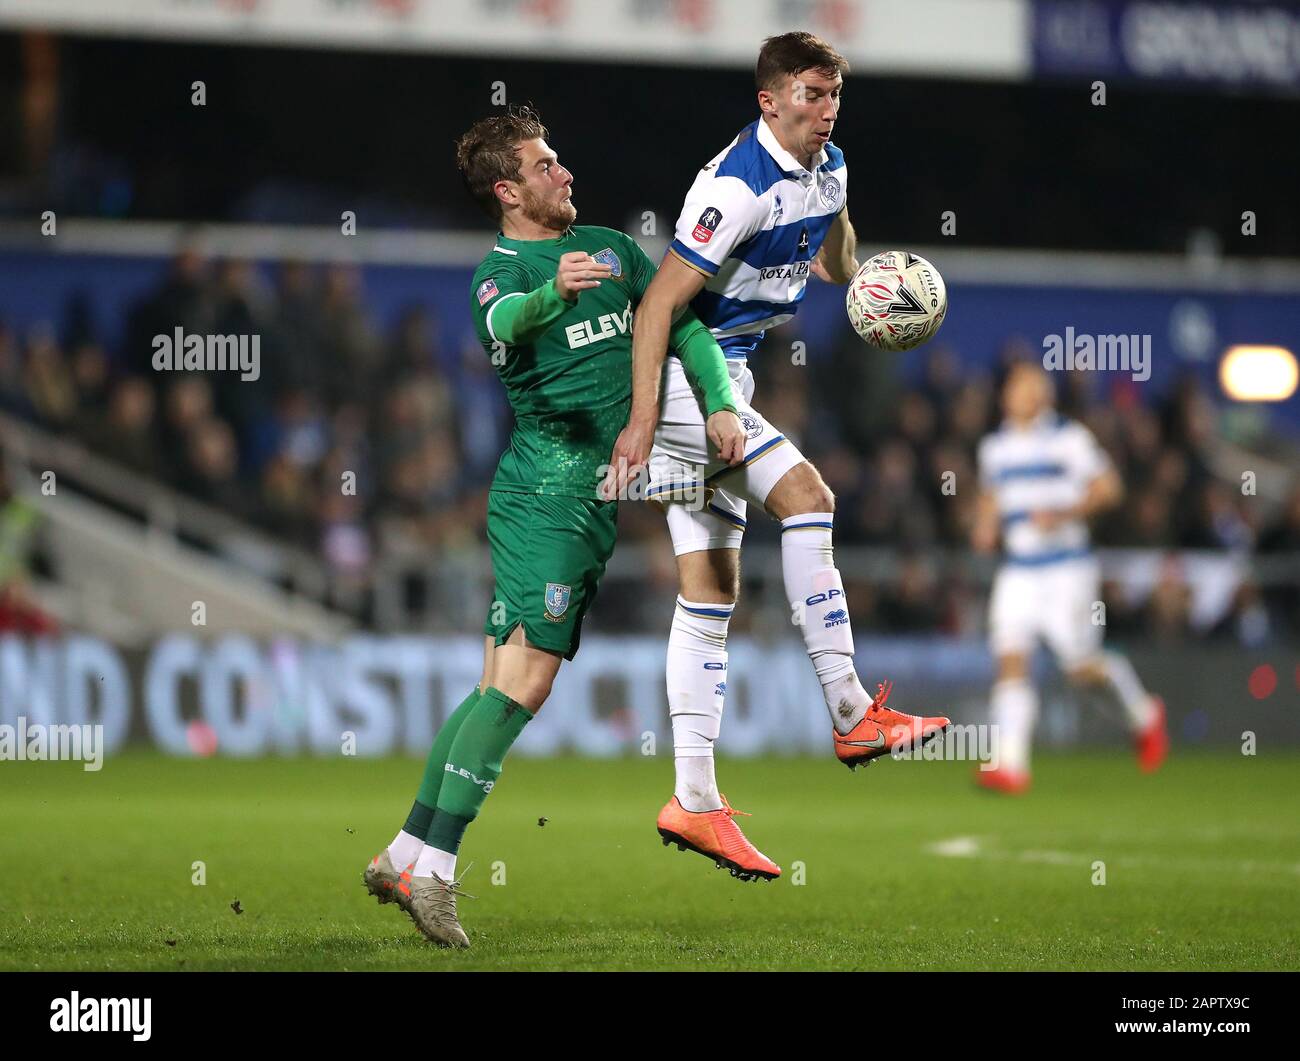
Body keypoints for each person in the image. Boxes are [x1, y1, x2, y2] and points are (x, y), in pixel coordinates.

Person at [362, 107, 742, 948]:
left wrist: (718, 402)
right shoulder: (496, 276)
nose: (563, 173)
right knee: (523, 686)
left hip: (590, 499)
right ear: (508, 189)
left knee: (496, 679)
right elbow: (504, 325)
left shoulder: (613, 246)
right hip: (547, 494)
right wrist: (550, 291)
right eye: (545, 166)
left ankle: (402, 851)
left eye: (559, 160)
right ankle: (437, 872)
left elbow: (681, 324)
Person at [601, 32, 950, 882]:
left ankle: (693, 799)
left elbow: (833, 262)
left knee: (710, 591)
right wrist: (647, 417)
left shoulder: (828, 166)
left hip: (733, 383)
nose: (825, 110)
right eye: (809, 95)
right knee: (809, 496)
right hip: (689, 381)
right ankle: (849, 708)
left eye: (834, 95)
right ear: (769, 100)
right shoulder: (734, 188)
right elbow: (656, 306)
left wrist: (866, 277)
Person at [971, 362, 1168, 794]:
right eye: (1017, 386)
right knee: (1010, 657)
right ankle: (1011, 764)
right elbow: (989, 499)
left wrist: (1061, 513)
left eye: (1030, 387)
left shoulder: (1068, 438)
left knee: (1080, 667)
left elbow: (1110, 488)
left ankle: (1144, 714)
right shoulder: (995, 447)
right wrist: (984, 526)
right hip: (1019, 570)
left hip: (1066, 567)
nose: (1022, 395)